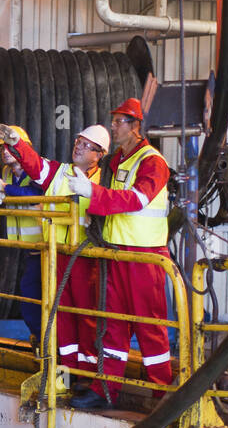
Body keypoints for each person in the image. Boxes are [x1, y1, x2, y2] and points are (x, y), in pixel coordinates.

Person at [59, 97, 173, 409]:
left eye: (120, 121)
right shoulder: (118, 161)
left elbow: (137, 200)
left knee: (150, 327)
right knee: (112, 325)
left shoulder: (153, 162)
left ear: (137, 128)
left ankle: (162, 392)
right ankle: (105, 388)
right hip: (116, 255)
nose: (114, 126)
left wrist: (92, 193)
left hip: (144, 258)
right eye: (114, 120)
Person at [0, 122, 110, 385]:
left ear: (98, 154)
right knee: (63, 318)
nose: (78, 147)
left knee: (87, 318)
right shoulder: (58, 172)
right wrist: (16, 144)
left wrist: (95, 196)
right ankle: (66, 376)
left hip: (87, 259)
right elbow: (34, 164)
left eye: (86, 145)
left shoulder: (104, 180)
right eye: (77, 142)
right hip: (58, 256)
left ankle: (88, 378)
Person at [0, 137, 43, 340]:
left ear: (25, 148)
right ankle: (41, 341)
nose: (5, 151)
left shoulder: (38, 170)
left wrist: (5, 189)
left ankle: (48, 343)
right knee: (31, 297)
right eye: (2, 147)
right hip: (30, 249)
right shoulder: (8, 173)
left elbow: (34, 193)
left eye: (10, 147)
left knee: (37, 296)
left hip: (49, 246)